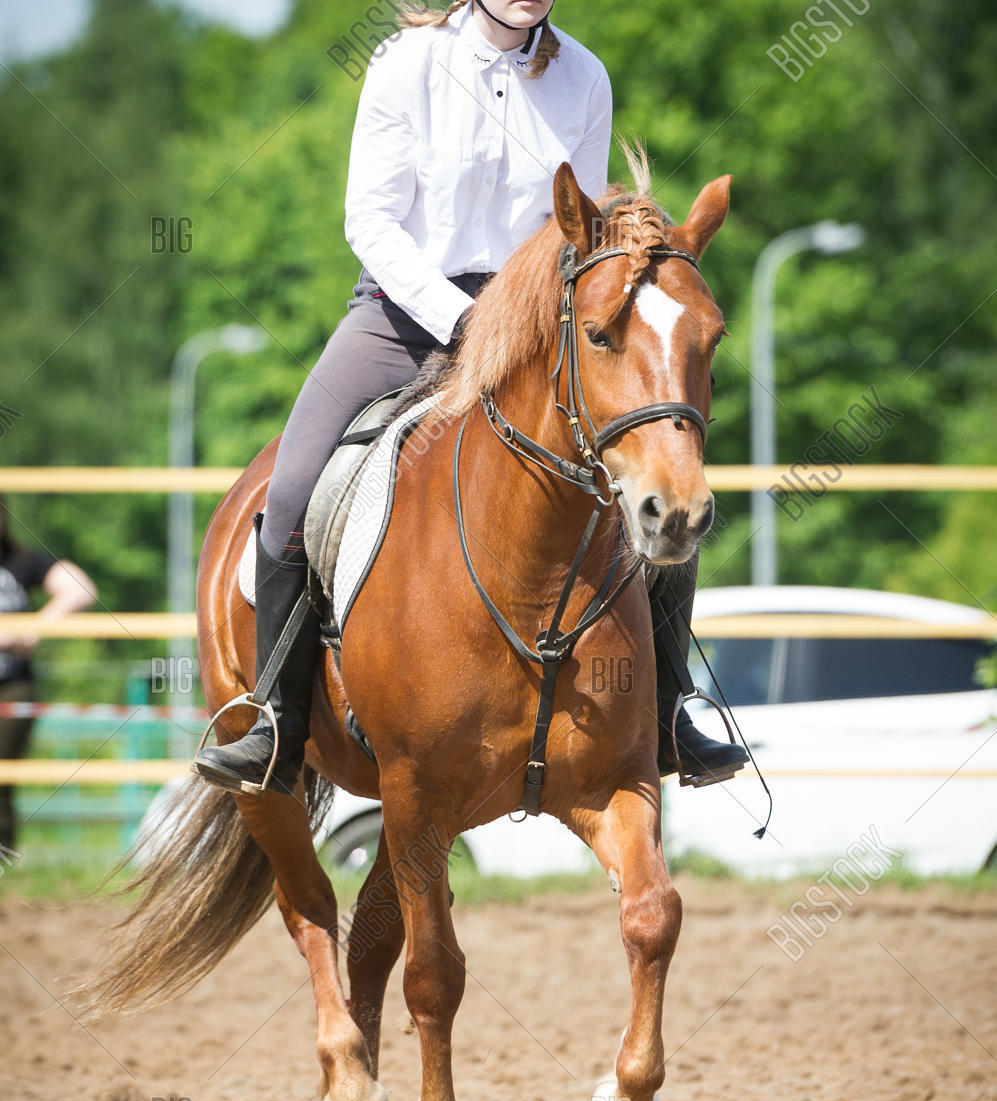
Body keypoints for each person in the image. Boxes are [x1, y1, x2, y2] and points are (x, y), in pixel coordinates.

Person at [194, 0, 748, 795]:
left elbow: (578, 233)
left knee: (654, 474)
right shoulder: (405, 64)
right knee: (293, 490)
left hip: (537, 325)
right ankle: (277, 721)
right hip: (402, 315)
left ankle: (665, 714)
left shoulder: (582, 76)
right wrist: (463, 322)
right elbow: (371, 222)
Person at [0, 501, 97, 853]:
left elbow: (81, 588)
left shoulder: (20, 562)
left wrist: (32, 630)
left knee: (2, 786)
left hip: (11, 689)